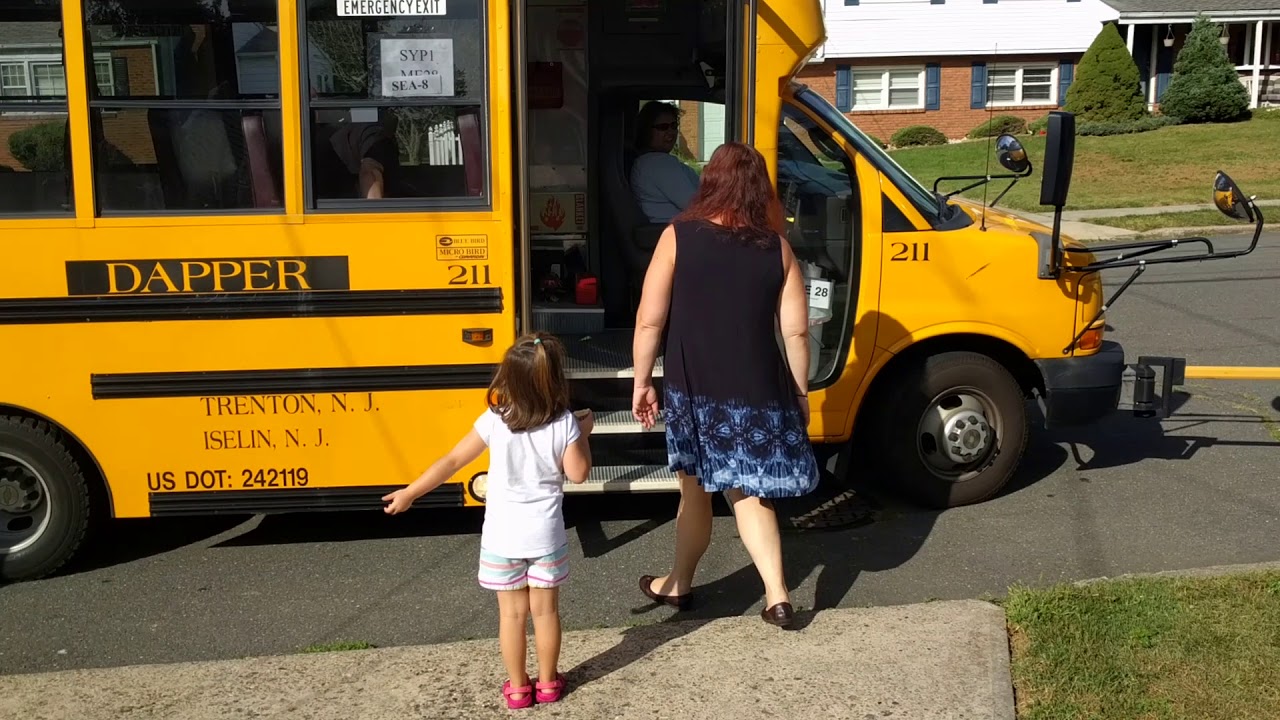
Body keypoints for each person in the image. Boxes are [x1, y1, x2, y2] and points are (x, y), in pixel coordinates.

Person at [631, 141, 819, 628]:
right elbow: (796, 331)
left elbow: (650, 322)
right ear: (760, 190)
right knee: (749, 492)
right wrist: (799, 393)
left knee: (694, 491)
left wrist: (641, 381)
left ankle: (679, 585)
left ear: (710, 181)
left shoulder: (679, 235)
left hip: (695, 389)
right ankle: (777, 594)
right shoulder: (776, 247)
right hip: (757, 388)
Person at [383, 332, 595, 709]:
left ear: (508, 379)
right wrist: (583, 434)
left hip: (502, 539)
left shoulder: (495, 419)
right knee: (545, 613)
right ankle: (548, 684)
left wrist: (410, 493)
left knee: (512, 616)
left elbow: (451, 461)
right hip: (545, 537)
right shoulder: (563, 422)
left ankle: (517, 688)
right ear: (554, 379)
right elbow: (578, 474)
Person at [629, 101, 701, 223]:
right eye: (663, 127)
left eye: (674, 126)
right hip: (679, 234)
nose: (671, 132)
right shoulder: (658, 163)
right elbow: (696, 206)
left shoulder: (646, 162)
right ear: (646, 131)